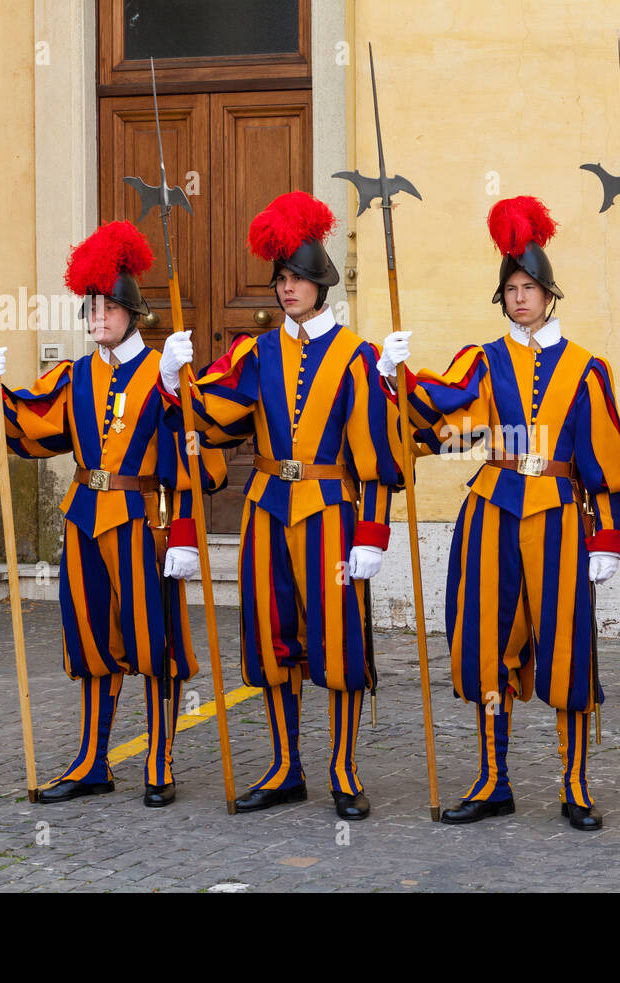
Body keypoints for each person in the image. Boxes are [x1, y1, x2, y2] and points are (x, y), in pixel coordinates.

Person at [377, 196, 620, 831]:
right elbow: (446, 420)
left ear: (550, 293)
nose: (521, 298)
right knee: (488, 642)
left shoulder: (587, 368)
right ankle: (493, 778)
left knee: (567, 648)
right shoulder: (483, 358)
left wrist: (608, 535)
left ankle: (574, 783)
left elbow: (602, 452)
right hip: (492, 511)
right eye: (511, 288)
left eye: (531, 287)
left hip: (559, 515)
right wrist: (397, 377)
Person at [0, 220, 226, 807]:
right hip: (84, 514)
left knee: (151, 639)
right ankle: (92, 761)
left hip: (142, 520)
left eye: (108, 306)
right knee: (88, 640)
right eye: (91, 306)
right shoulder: (76, 375)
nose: (97, 316)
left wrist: (175, 392)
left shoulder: (165, 372)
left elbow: (197, 455)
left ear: (132, 312)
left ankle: (159, 760)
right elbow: (31, 424)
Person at [160, 191, 400, 820]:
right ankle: (284, 765)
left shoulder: (358, 357)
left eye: (298, 278)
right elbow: (212, 419)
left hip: (331, 511)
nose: (287, 288)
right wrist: (175, 380)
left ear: (321, 283)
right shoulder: (254, 352)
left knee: (339, 638)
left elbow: (372, 450)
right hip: (267, 506)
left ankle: (343, 768)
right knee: (272, 639)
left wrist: (373, 531)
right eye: (282, 278)